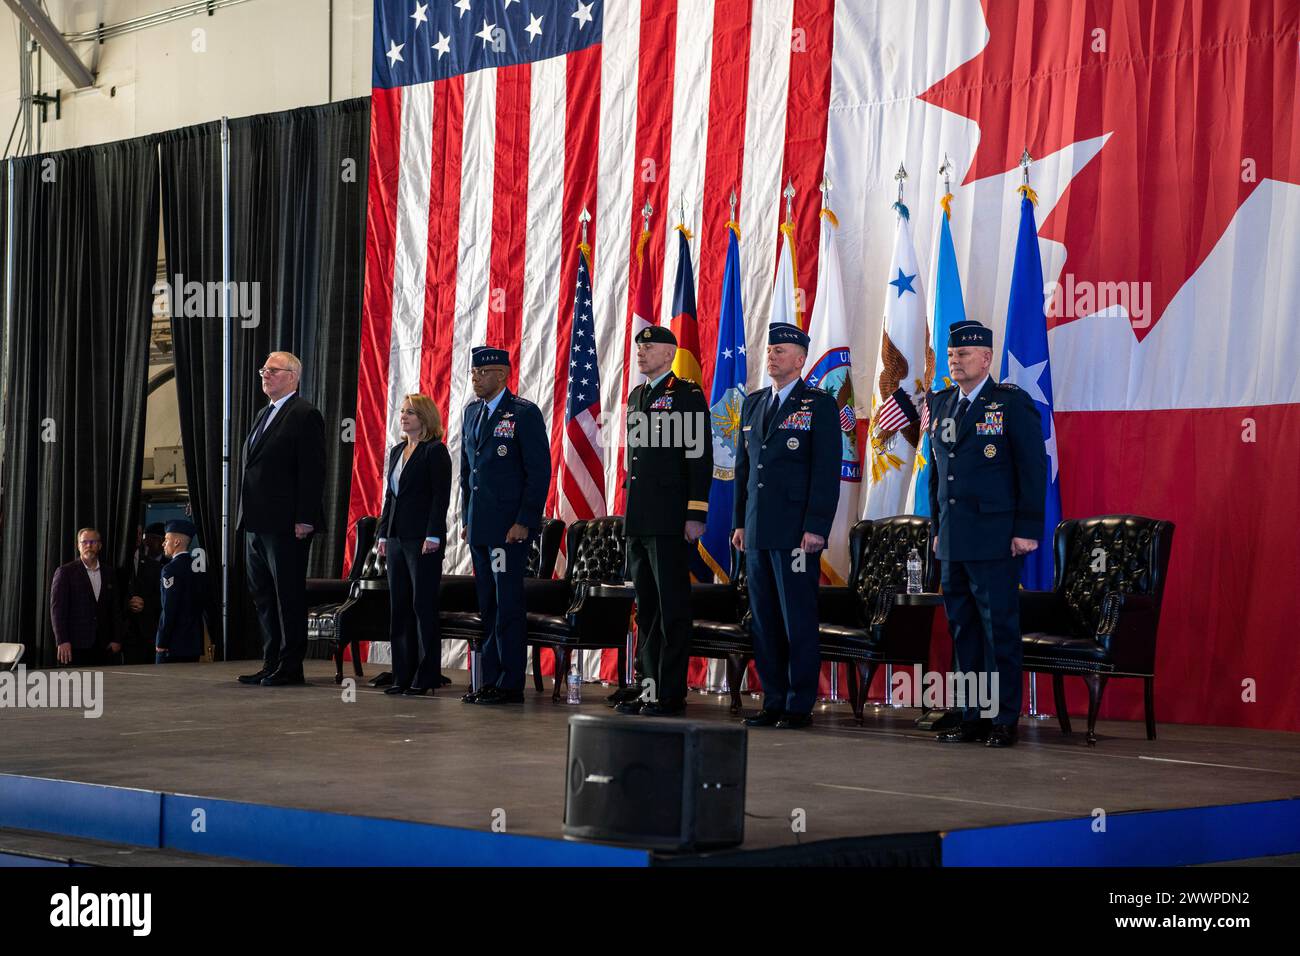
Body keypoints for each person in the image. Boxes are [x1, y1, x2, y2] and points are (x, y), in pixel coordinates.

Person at [927, 319, 1047, 748]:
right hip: (954, 538)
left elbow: (1032, 469)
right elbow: (938, 475)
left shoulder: (1010, 404)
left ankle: (1003, 717)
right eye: (951, 354)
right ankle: (973, 715)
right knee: (963, 630)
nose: (955, 361)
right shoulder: (940, 404)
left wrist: (1028, 528)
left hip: (996, 535)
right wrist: (938, 528)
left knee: (999, 630)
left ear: (986, 358)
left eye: (963, 354)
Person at [732, 324, 840, 730]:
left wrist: (815, 527)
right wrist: (741, 522)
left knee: (796, 617)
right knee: (765, 619)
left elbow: (825, 473)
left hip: (797, 533)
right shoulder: (755, 403)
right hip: (759, 530)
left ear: (800, 359)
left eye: (781, 350)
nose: (772, 356)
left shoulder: (818, 405)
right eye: (770, 349)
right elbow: (745, 471)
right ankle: (773, 699)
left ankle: (798, 704)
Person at [609, 325, 712, 717]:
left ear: (669, 354)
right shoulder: (637, 396)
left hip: (671, 518)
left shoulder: (685, 395)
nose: (641, 351)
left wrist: (695, 513)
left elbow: (698, 457)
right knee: (647, 607)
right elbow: (636, 463)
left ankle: (670, 691)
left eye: (649, 347)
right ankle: (648, 685)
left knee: (671, 608)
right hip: (640, 516)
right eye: (639, 346)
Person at [458, 346, 550, 706]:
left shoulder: (523, 414)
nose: (476, 379)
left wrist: (525, 520)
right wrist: (467, 518)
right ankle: (489, 678)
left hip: (508, 530)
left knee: (507, 602)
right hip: (480, 527)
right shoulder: (471, 413)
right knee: (488, 604)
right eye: (473, 373)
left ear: (502, 374)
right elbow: (469, 473)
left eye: (483, 373)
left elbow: (538, 472)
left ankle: (510, 682)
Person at [235, 350, 326, 687]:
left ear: (293, 376)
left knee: (287, 595)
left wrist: (305, 518)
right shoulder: (264, 413)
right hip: (256, 523)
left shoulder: (304, 414)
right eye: (263, 370)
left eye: (272, 370)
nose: (265, 375)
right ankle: (271, 660)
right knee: (263, 596)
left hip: (287, 524)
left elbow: (313, 471)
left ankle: (290, 666)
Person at [376, 394, 453, 696]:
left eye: (411, 412)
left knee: (423, 606)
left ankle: (426, 675)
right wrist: (383, 534)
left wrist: (433, 534)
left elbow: (440, 497)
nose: (404, 417)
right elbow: (389, 497)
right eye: (402, 411)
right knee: (400, 608)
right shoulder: (397, 450)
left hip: (423, 539)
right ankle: (401, 675)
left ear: (425, 418)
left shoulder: (435, 452)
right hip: (396, 537)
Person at [50, 527, 123, 666]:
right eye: (84, 542)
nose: (88, 545)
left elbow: (115, 608)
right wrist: (62, 640)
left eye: (93, 542)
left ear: (99, 545)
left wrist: (117, 639)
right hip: (75, 645)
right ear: (78, 546)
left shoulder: (109, 573)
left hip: (104, 646)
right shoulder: (65, 572)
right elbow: (57, 611)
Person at [155, 519, 205, 664]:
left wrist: (162, 641)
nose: (163, 544)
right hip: (193, 642)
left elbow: (169, 609)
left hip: (173, 644)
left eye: (166, 539)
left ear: (176, 542)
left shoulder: (170, 569)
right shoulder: (198, 568)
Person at [120, 522, 166, 664]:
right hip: (124, 633)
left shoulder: (154, 566)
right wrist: (127, 603)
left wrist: (144, 603)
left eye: (140, 534)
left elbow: (161, 598)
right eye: (135, 533)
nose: (138, 537)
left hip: (148, 634)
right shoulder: (116, 564)